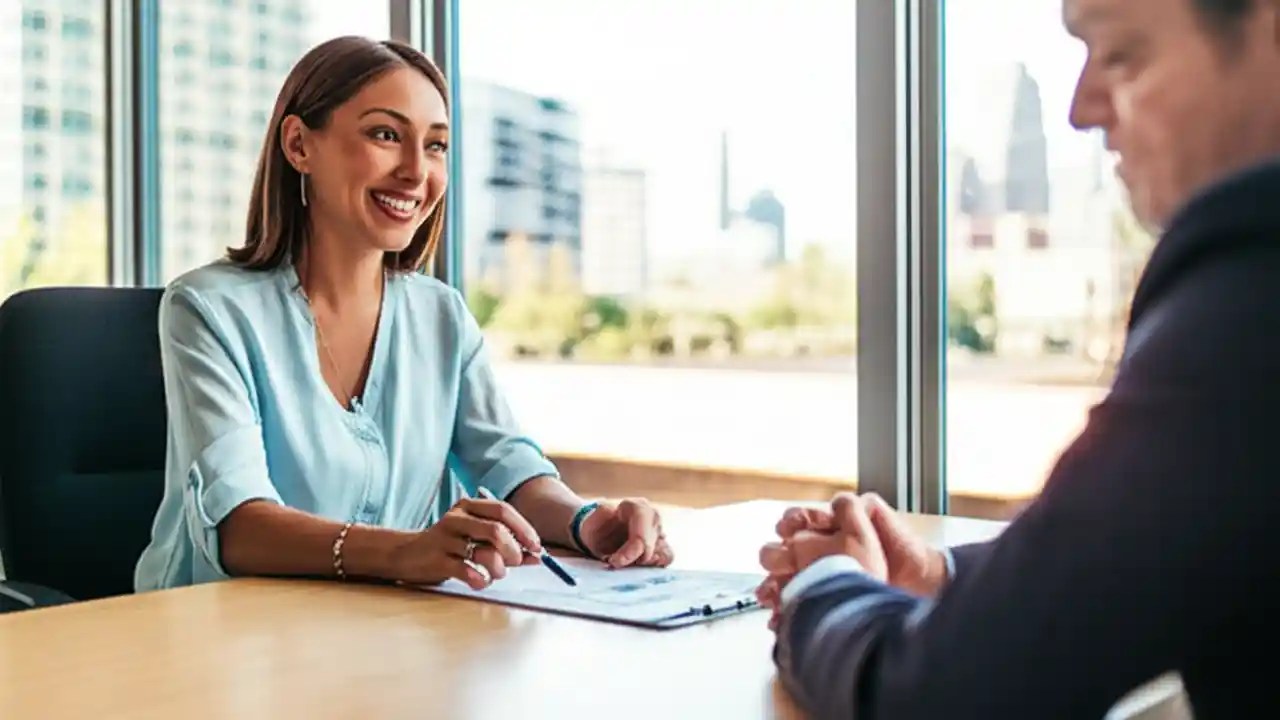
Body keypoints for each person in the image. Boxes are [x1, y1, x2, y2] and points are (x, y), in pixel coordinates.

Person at [757, 0, 1280, 716]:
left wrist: (824, 586)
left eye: (1121, 54)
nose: (1081, 110)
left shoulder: (1249, 302)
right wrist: (948, 575)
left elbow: (941, 695)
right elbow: (1167, 539)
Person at [134, 37, 672, 592]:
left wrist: (588, 522)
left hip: (382, 624)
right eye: (385, 135)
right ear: (298, 145)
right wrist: (407, 551)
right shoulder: (209, 309)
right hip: (220, 629)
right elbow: (238, 529)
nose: (416, 171)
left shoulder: (440, 315)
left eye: (435, 145)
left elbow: (510, 469)